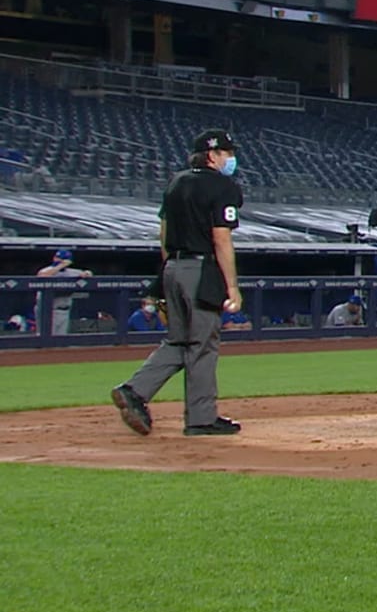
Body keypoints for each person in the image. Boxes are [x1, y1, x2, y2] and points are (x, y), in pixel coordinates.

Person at [110, 128, 245, 437]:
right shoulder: (223, 186)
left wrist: (168, 270)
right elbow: (221, 238)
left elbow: (163, 230)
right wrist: (232, 287)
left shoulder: (176, 182)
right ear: (212, 156)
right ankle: (201, 418)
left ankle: (134, 390)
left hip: (172, 266)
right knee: (203, 343)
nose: (231, 159)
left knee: (179, 340)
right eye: (227, 153)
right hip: (200, 269)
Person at [35, 248, 93, 335]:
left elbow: (88, 273)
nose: (59, 260)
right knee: (45, 337)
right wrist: (60, 266)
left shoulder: (71, 272)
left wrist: (87, 273)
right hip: (48, 310)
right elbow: (42, 276)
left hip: (64, 310)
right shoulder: (47, 270)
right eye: (58, 258)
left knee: (61, 339)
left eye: (63, 259)